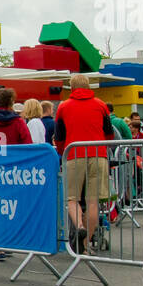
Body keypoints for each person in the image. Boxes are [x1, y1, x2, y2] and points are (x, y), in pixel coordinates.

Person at [54, 73, 115, 255]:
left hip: (74, 154)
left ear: (71, 87)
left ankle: (79, 225)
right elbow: (109, 133)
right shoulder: (101, 105)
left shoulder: (64, 107)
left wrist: (62, 151)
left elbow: (59, 136)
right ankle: (86, 243)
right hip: (99, 154)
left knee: (72, 199)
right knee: (93, 202)